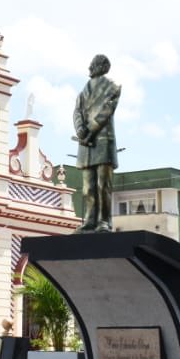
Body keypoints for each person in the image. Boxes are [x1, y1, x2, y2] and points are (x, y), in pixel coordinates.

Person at [73, 54, 122, 232]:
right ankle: (90, 220)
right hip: (86, 145)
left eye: (92, 64)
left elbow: (106, 110)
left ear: (101, 66)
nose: (89, 68)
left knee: (103, 186)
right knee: (88, 188)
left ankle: (104, 221)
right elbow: (77, 112)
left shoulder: (113, 87)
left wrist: (90, 131)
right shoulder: (83, 92)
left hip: (102, 142)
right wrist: (80, 130)